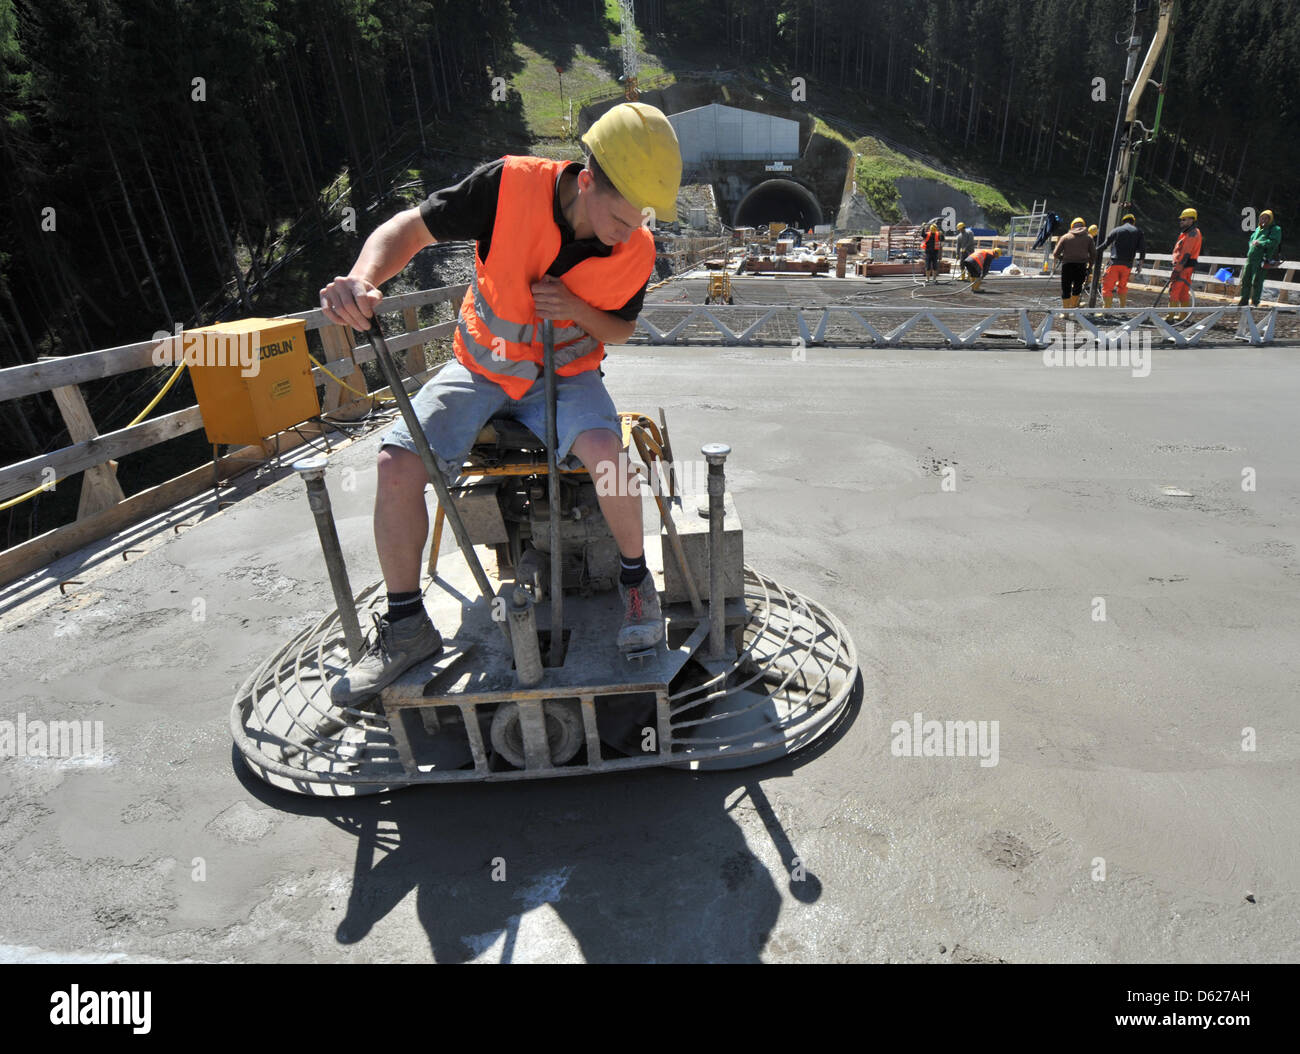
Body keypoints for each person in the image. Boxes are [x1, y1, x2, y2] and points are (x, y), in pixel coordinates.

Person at [318, 102, 683, 703]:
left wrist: (576, 311)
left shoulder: (636, 249)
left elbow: (619, 329)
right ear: (587, 180)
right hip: (481, 368)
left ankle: (636, 585)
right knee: (396, 462)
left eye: (641, 217)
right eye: (622, 215)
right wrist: (364, 278)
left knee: (609, 459)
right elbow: (407, 229)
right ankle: (407, 626)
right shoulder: (508, 187)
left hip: (565, 375)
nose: (631, 230)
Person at [1098, 213, 1146, 308]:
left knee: (1107, 287)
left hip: (1115, 263)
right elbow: (1142, 249)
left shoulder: (1117, 230)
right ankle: (1122, 308)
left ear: (1123, 221)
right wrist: (1140, 264)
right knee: (1123, 286)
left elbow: (1105, 244)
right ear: (1133, 222)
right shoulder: (1138, 232)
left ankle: (1106, 310)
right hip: (1127, 265)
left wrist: (1094, 251)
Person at [1239, 209, 1282, 307]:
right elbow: (1251, 240)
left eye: (1266, 218)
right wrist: (1251, 246)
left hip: (1262, 258)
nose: (1263, 220)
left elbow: (1274, 242)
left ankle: (1255, 302)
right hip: (1251, 258)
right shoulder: (1258, 228)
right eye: (1262, 217)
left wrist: (1260, 243)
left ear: (1270, 219)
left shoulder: (1275, 229)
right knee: (1246, 279)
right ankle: (1243, 300)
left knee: (1257, 280)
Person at [1167, 206, 1202, 322]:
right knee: (1183, 292)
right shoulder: (1188, 233)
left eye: (1184, 219)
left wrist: (1177, 269)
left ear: (1192, 220)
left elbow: (1185, 253)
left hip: (1183, 267)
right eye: (1181, 219)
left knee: (1174, 290)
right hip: (1187, 267)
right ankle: (1183, 317)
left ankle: (1170, 317)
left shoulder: (1191, 234)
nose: (1181, 221)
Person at [1052, 217, 1096, 308]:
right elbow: (1093, 254)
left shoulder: (1065, 237)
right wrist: (1090, 266)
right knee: (1077, 287)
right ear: (1084, 226)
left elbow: (1055, 253)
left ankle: (1065, 311)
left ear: (1072, 226)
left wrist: (1061, 258)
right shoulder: (1089, 238)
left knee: (1066, 287)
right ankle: (1073, 305)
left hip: (1067, 265)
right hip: (1081, 266)